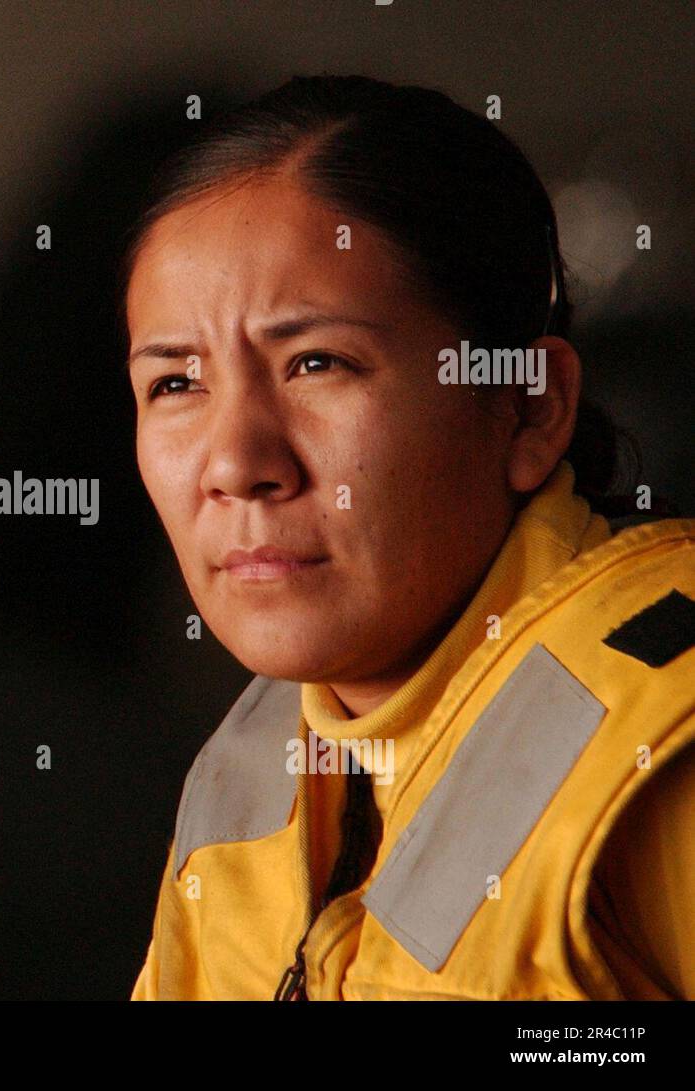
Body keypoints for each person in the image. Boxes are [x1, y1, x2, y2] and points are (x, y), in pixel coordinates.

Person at [121, 74, 695, 1000]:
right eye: (176, 384)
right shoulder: (249, 777)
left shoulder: (661, 737)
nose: (236, 461)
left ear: (528, 408)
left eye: (318, 363)